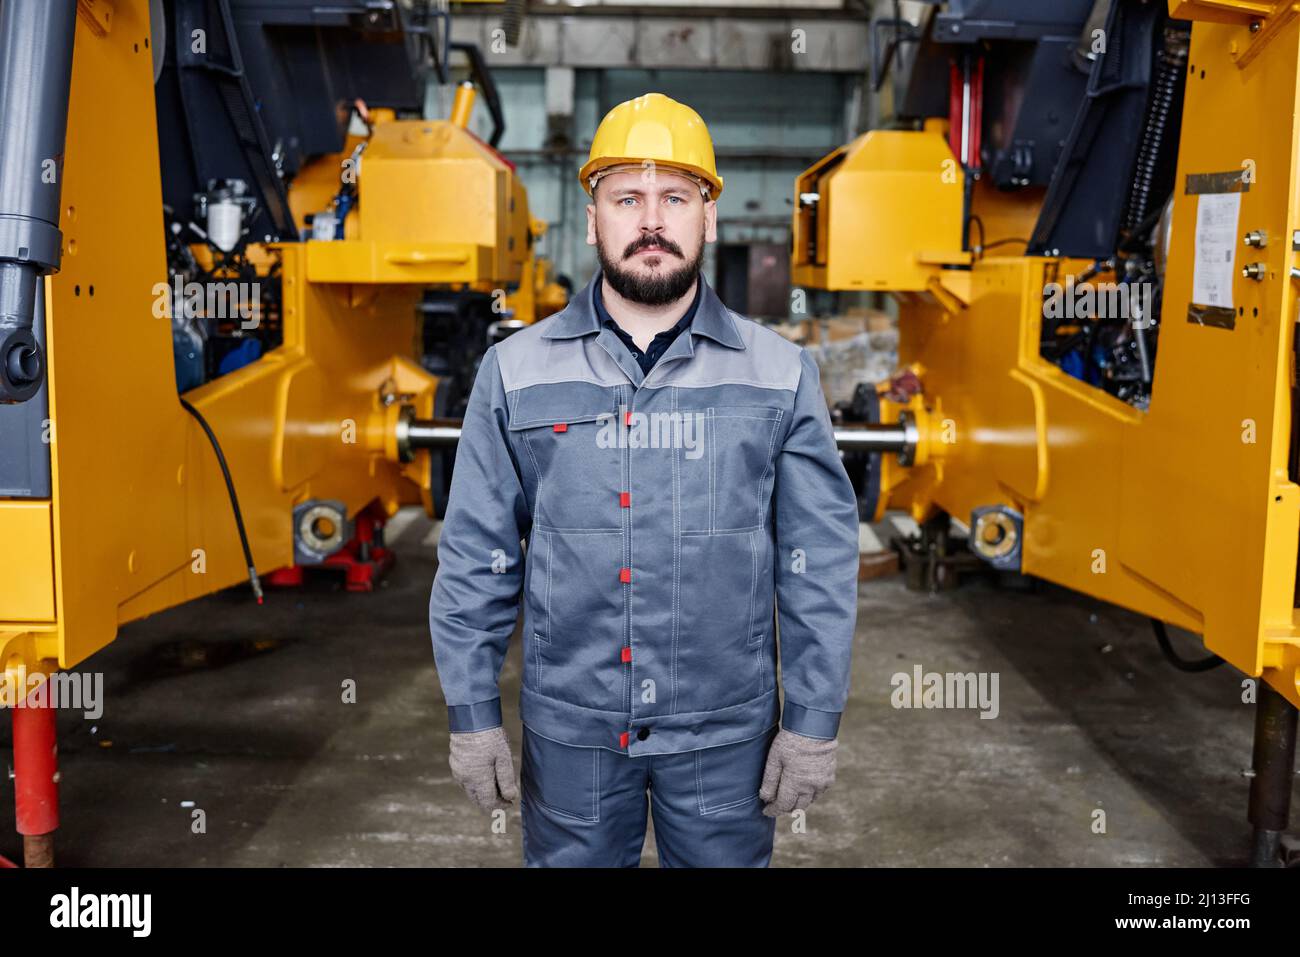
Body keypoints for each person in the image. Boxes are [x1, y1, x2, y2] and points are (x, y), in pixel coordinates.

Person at [429, 92, 859, 867]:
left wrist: (814, 720)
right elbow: (474, 555)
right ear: (592, 218)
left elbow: (818, 564)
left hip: (726, 737)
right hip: (574, 737)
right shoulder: (515, 371)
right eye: (627, 197)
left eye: (676, 198)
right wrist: (472, 712)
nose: (651, 220)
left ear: (710, 218)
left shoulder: (781, 373)